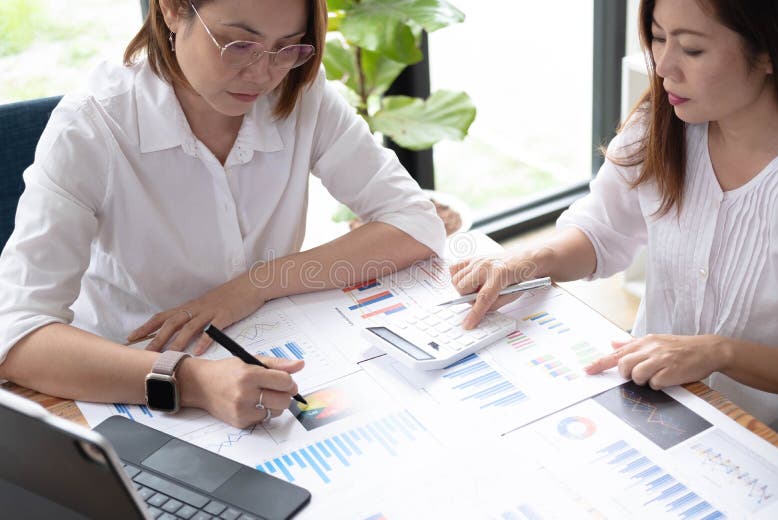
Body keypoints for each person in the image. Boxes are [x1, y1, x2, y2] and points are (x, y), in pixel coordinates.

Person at [0, 0, 445, 428]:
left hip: (266, 358)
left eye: (288, 46)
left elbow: (414, 223)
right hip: (124, 384)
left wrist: (254, 286)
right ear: (173, 9)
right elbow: (16, 334)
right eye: (239, 44)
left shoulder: (300, 91)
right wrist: (192, 381)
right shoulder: (91, 127)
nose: (264, 73)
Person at [450, 0, 778, 437]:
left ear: (769, 50)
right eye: (657, 37)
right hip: (647, 398)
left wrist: (719, 352)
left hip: (771, 438)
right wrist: (528, 261)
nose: (664, 65)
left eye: (691, 49)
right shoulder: (663, 121)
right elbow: (600, 230)